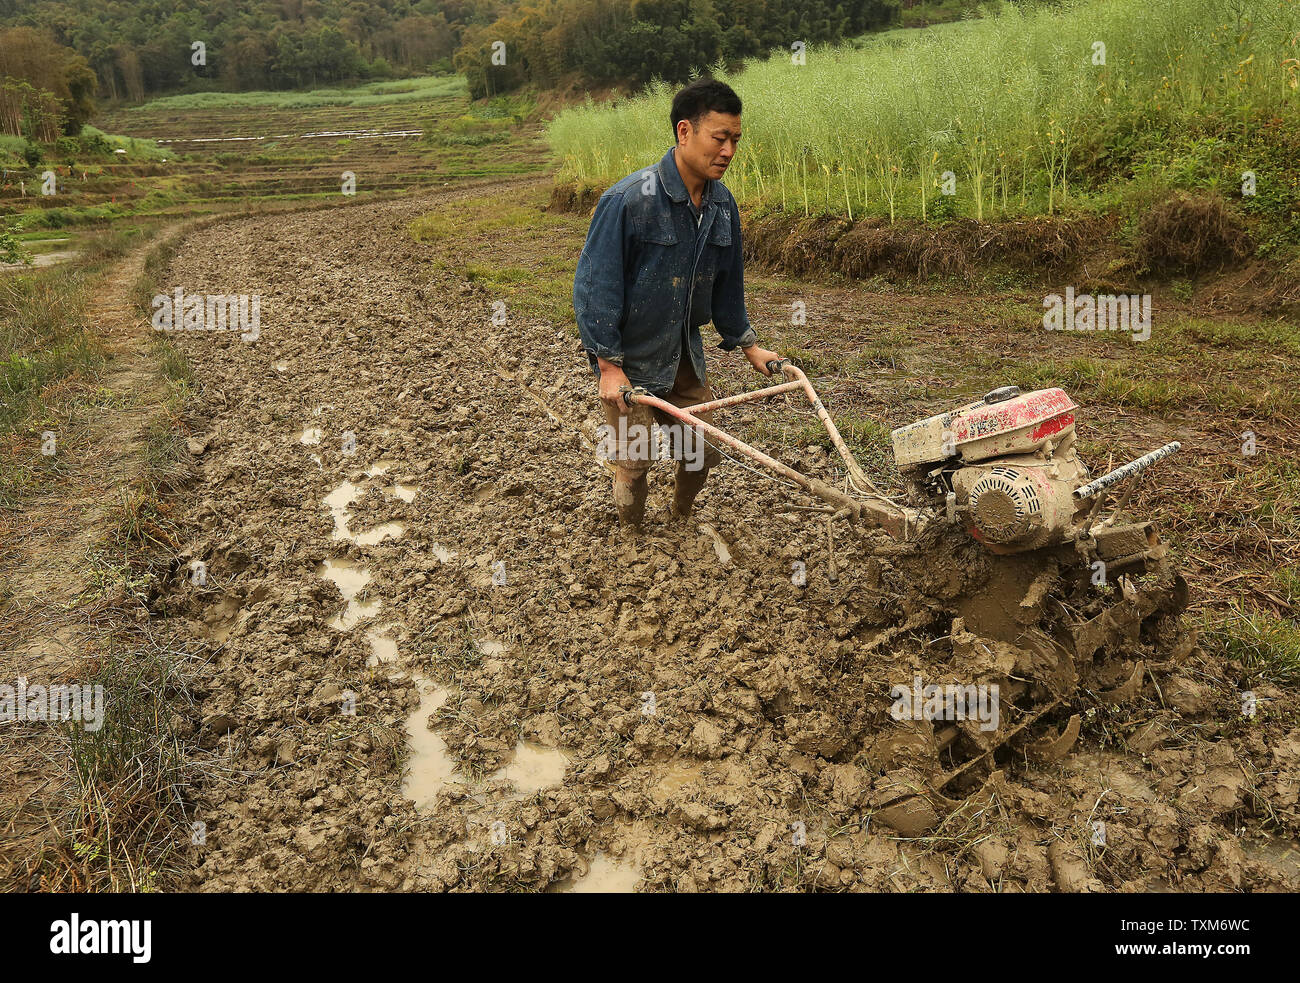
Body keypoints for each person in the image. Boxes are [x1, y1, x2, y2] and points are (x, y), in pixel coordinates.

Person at [573, 77, 780, 528]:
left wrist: (747, 344)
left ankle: (679, 515)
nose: (728, 151)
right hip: (631, 357)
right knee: (634, 460)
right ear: (685, 132)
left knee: (701, 451)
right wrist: (609, 367)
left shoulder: (722, 204)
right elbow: (595, 286)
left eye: (735, 140)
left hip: (684, 355)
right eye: (719, 138)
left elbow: (729, 286)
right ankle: (634, 537)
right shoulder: (629, 200)